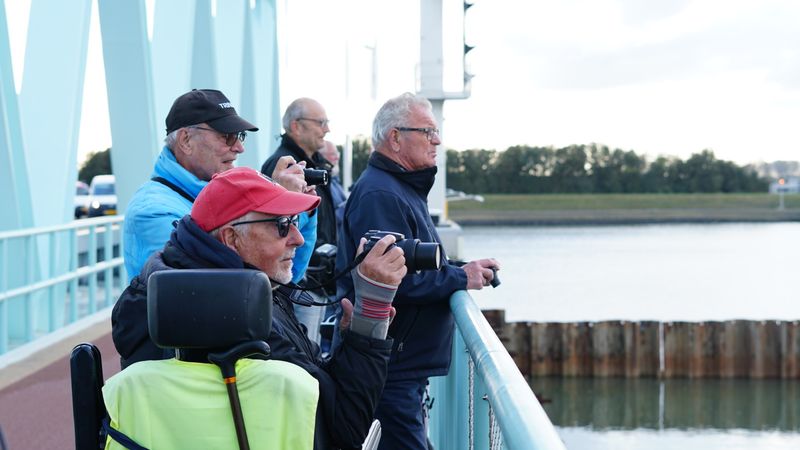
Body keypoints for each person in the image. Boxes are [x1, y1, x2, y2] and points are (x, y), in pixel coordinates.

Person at [112, 167, 406, 450]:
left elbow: (320, 385)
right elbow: (345, 425)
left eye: (294, 221)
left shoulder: (169, 287)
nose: (298, 238)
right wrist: (371, 313)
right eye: (282, 225)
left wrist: (353, 340)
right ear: (231, 238)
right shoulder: (238, 318)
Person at [335, 93, 500, 450]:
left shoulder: (398, 188)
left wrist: (461, 268)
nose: (437, 141)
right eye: (427, 132)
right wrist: (462, 277)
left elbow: (412, 265)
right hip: (392, 367)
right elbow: (393, 280)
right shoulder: (382, 194)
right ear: (395, 138)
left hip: (398, 363)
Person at [122, 88, 310, 281]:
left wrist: (292, 208)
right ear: (186, 140)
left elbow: (285, 278)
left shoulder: (214, 196)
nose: (239, 148)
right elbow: (206, 287)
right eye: (227, 136)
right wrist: (278, 207)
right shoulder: (152, 211)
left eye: (240, 136)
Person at [261, 98, 338, 343]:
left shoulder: (310, 165)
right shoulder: (282, 167)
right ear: (296, 126)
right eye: (320, 122)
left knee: (307, 349)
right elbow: (275, 228)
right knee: (300, 351)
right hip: (294, 283)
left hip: (310, 279)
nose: (327, 129)